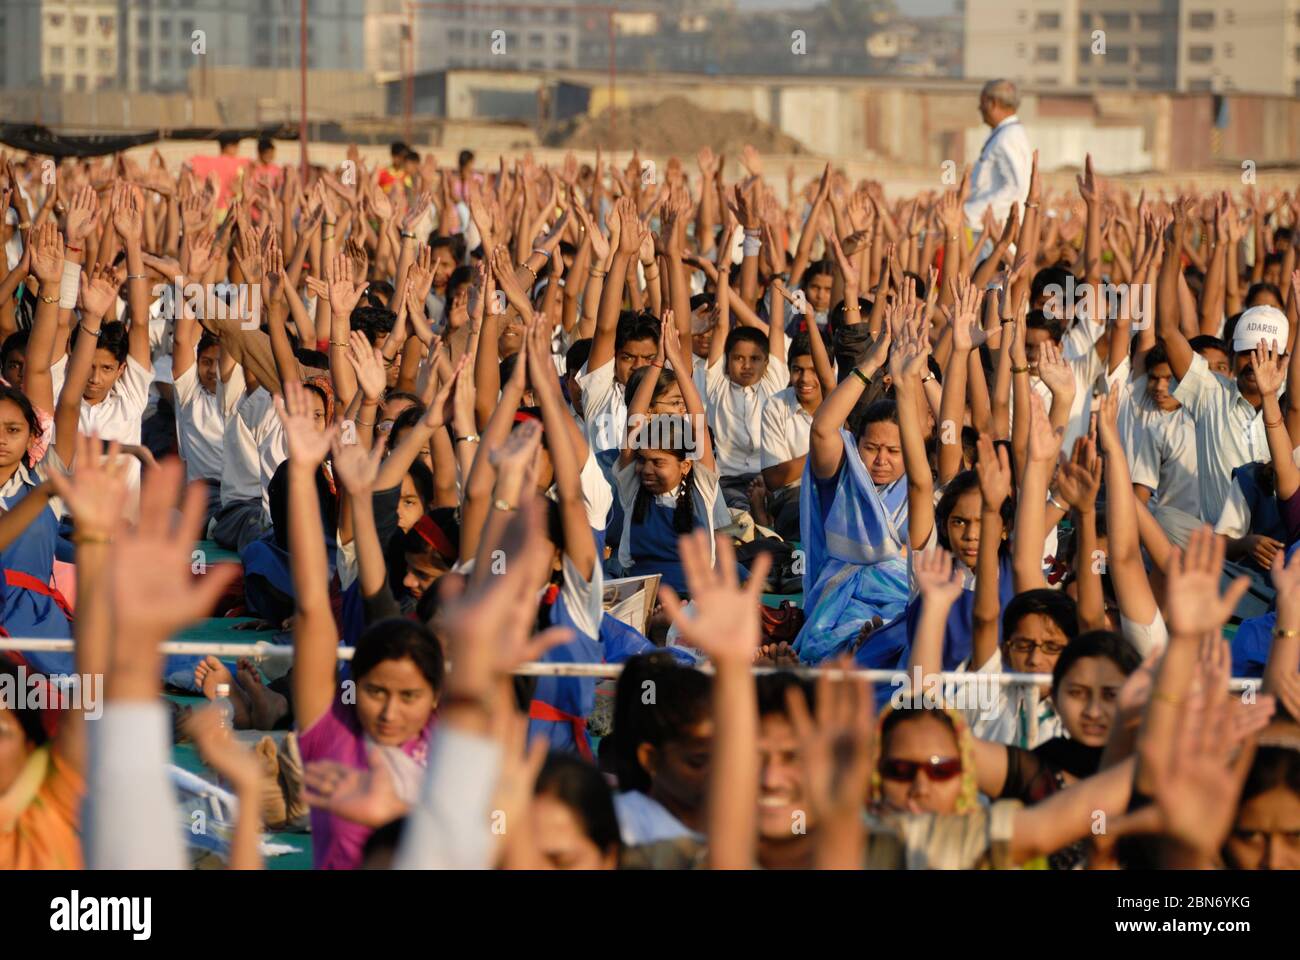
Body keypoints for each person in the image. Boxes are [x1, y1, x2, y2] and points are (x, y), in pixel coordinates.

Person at [964, 79, 1033, 232]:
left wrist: (969, 213)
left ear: (992, 103)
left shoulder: (1008, 137)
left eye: (982, 102)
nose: (979, 108)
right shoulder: (1004, 134)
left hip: (996, 231)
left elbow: (1014, 188)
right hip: (990, 229)